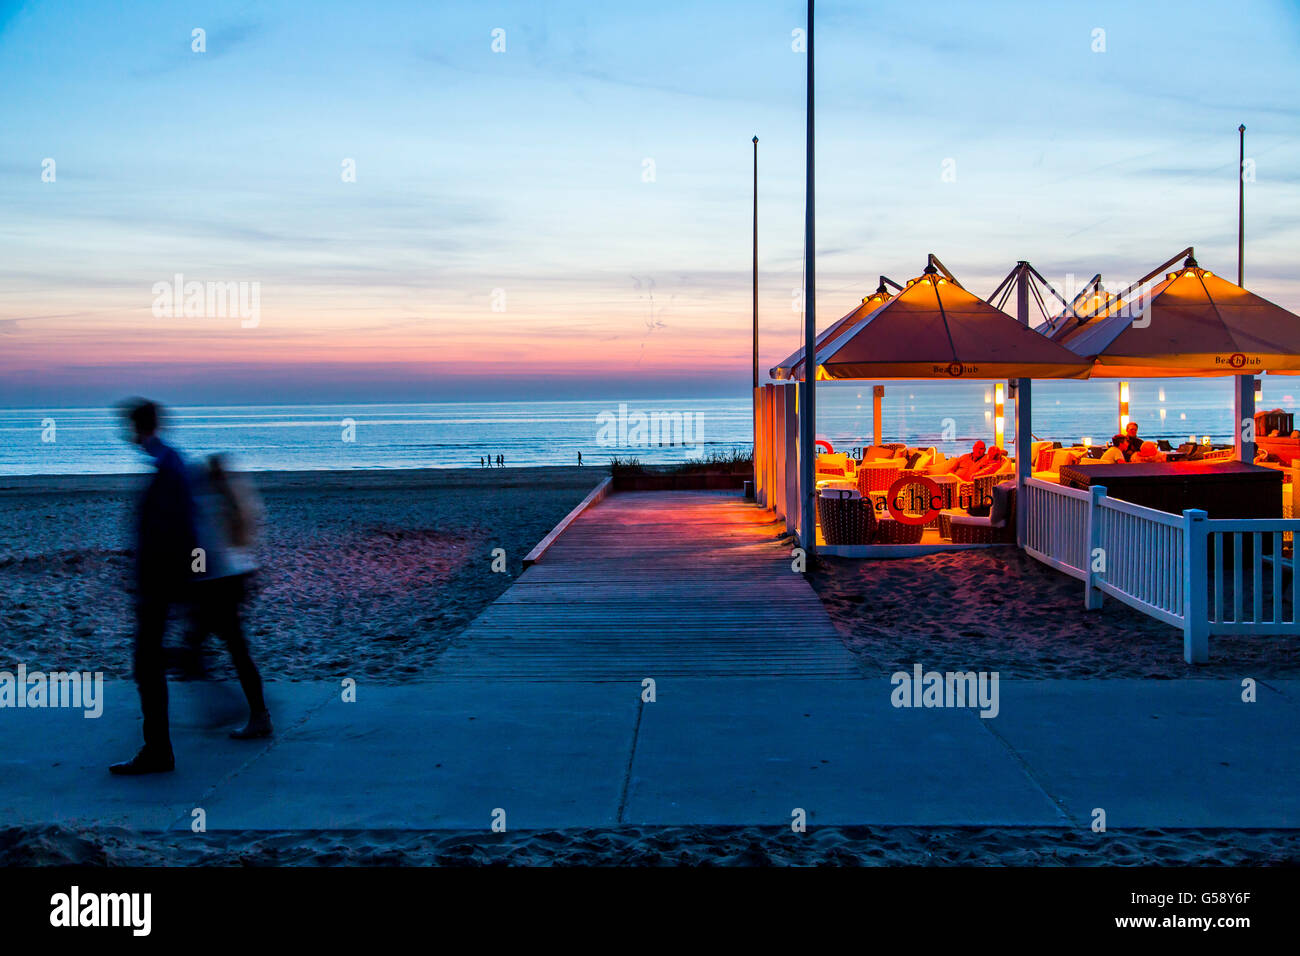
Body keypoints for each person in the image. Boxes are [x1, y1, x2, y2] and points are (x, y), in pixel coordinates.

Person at [110, 399, 199, 775]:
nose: (125, 434)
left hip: (160, 583)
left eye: (128, 426)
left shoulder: (167, 467)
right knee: (149, 663)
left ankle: (158, 750)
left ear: (138, 427)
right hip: (163, 581)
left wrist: (177, 578)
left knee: (146, 666)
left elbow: (177, 530)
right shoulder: (170, 462)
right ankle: (157, 746)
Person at [184, 454, 273, 740]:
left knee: (201, 649)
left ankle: (237, 710)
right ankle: (247, 712)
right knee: (234, 649)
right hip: (237, 580)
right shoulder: (235, 502)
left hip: (215, 585)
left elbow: (201, 552)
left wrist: (192, 577)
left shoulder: (205, 504)